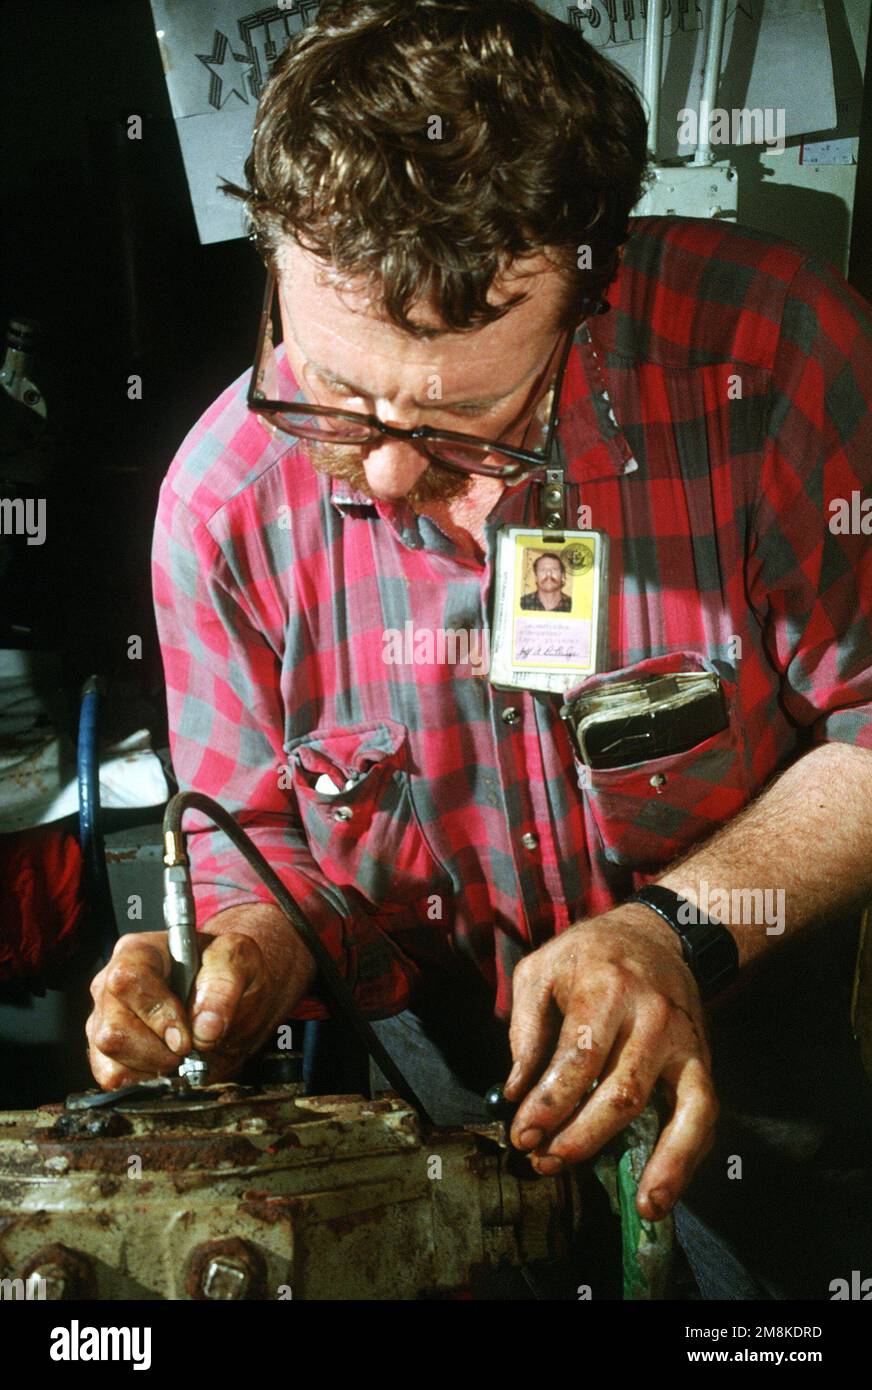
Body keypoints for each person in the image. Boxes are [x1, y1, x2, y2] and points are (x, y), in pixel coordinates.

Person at [86, 0, 872, 1299]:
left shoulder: (777, 357)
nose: (388, 469)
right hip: (435, 1083)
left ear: (590, 283)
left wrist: (680, 926)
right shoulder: (221, 502)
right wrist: (238, 961)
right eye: (330, 395)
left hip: (749, 1025)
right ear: (274, 267)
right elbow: (258, 847)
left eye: (469, 418)